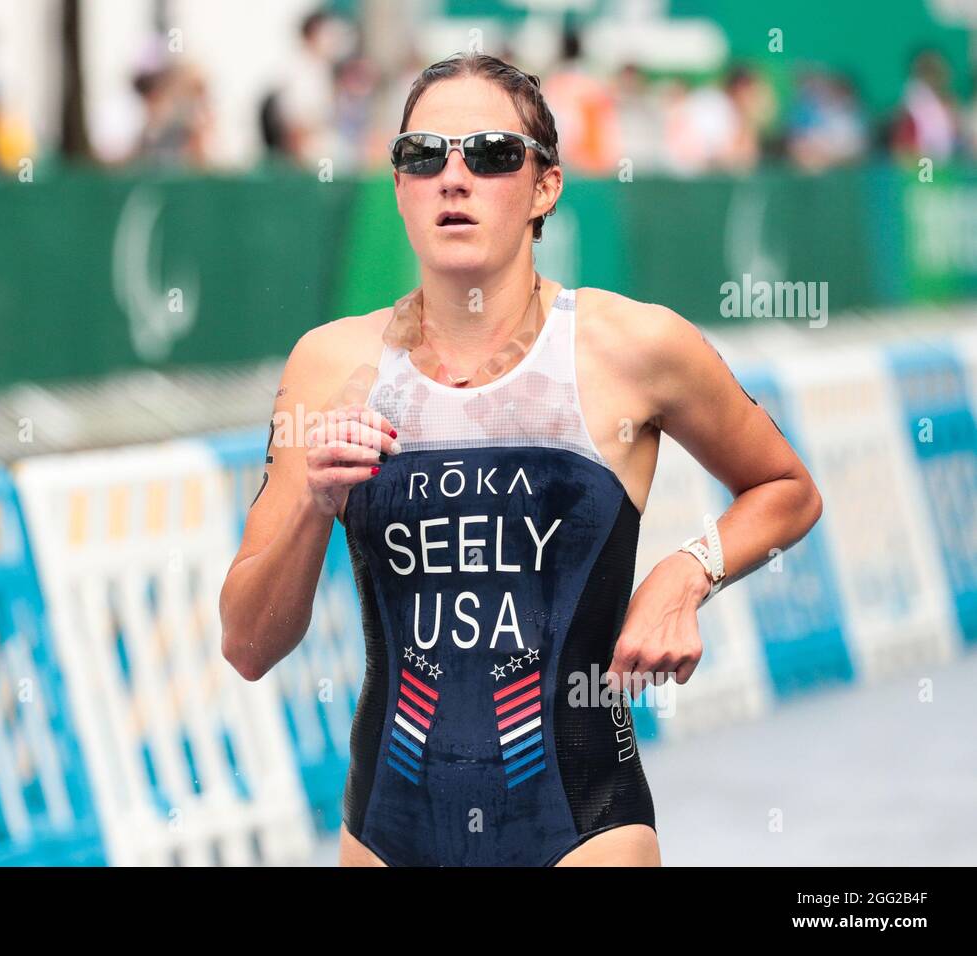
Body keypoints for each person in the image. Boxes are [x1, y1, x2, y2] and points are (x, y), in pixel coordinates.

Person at [219, 53, 823, 866]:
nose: (454, 177)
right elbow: (248, 646)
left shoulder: (631, 347)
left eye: (493, 153)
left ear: (545, 187)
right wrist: (309, 506)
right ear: (399, 187)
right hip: (387, 831)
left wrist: (687, 572)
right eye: (423, 155)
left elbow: (786, 488)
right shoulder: (330, 365)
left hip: (583, 827)